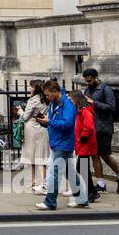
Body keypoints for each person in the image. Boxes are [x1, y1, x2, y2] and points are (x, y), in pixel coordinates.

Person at [35, 80, 83, 210]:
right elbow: (53, 122)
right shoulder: (53, 104)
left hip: (63, 143)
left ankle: (50, 201)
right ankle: (82, 199)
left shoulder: (67, 104)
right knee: (70, 173)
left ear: (55, 92)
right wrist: (43, 122)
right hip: (57, 142)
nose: (46, 97)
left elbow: (67, 124)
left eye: (48, 94)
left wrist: (49, 121)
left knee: (53, 173)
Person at [82, 68, 119, 194]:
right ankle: (101, 183)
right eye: (86, 81)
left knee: (105, 155)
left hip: (104, 127)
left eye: (90, 80)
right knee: (94, 155)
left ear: (96, 77)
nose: (88, 83)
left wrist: (94, 103)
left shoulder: (105, 89)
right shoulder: (87, 89)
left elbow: (111, 107)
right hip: (92, 127)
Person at [15, 80, 51, 193]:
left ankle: (40, 182)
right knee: (41, 154)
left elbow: (25, 117)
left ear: (35, 88)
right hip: (43, 128)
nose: (29, 89)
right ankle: (38, 181)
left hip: (31, 129)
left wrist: (20, 111)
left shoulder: (33, 100)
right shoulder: (46, 99)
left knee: (34, 155)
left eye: (31, 87)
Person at [72, 90, 98, 204]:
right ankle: (91, 191)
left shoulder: (85, 112)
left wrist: (83, 136)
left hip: (85, 145)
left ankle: (91, 192)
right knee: (83, 168)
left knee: (81, 168)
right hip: (83, 144)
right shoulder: (81, 111)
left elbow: (89, 126)